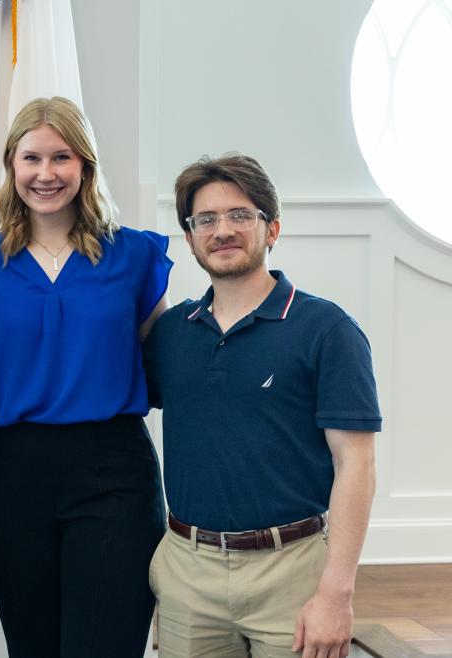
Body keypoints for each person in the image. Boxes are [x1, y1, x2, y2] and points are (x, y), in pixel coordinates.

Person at [0, 96, 170, 657]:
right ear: (11, 166)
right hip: (17, 473)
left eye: (61, 157)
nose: (46, 174)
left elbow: (160, 362)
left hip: (114, 471)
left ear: (85, 167)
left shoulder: (135, 256)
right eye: (31, 159)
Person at [143, 153, 381, 658]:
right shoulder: (170, 335)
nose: (222, 229)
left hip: (292, 570)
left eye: (239, 215)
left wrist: (337, 593)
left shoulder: (327, 330)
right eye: (205, 219)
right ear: (190, 239)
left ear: (271, 229)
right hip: (189, 571)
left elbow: (355, 463)